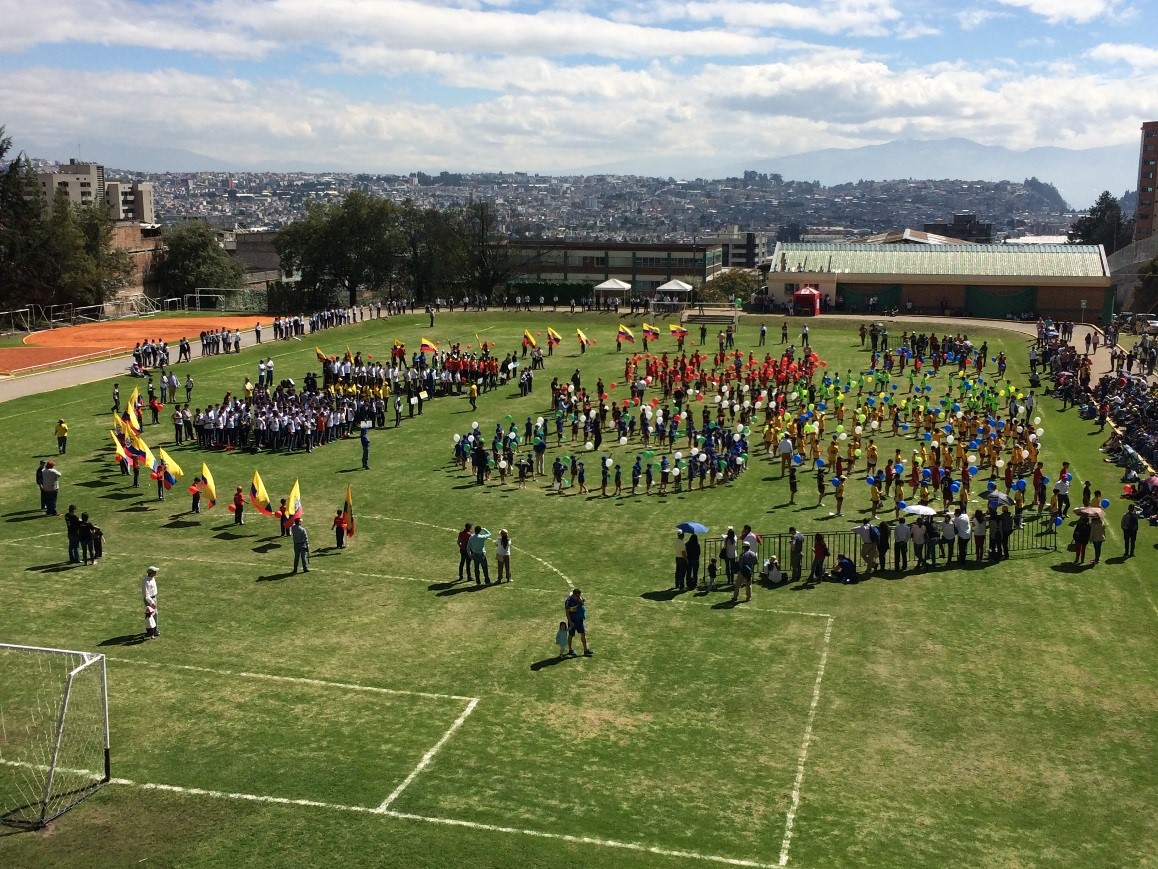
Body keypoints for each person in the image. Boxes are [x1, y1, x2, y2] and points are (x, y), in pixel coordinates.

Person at [565, 588, 592, 657]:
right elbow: (567, 613)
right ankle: (570, 650)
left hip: (580, 620)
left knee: (583, 634)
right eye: (577, 596)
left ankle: (585, 650)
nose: (578, 597)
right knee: (571, 635)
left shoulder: (579, 597)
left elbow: (583, 600)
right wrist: (570, 621)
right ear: (574, 595)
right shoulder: (568, 602)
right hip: (573, 621)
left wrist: (582, 600)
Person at [141, 565, 159, 639]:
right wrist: (152, 603)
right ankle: (152, 632)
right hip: (150, 600)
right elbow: (146, 595)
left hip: (153, 598)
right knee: (151, 616)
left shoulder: (152, 578)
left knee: (153, 615)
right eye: (154, 571)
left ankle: (153, 631)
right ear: (151, 573)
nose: (156, 572)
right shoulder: (146, 582)